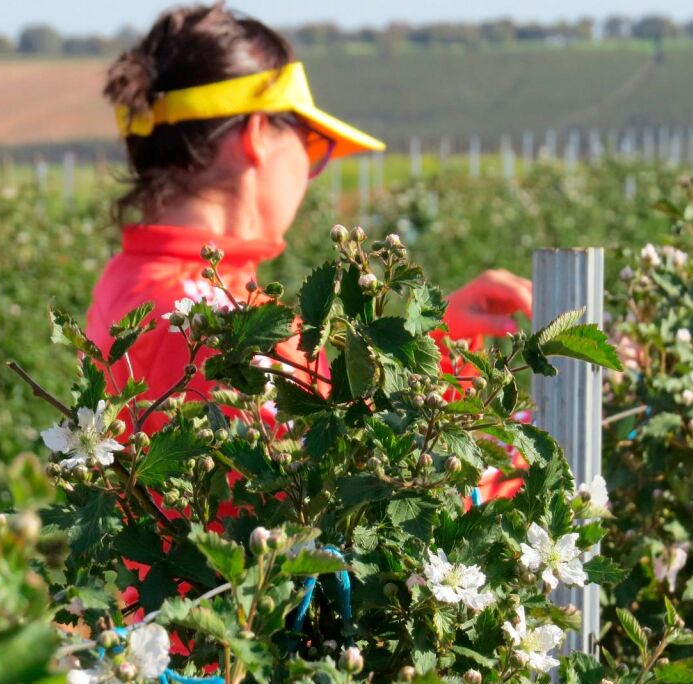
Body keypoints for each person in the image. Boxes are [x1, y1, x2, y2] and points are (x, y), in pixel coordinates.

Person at [83, 4, 532, 448]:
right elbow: (334, 483)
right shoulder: (219, 325)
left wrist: (434, 344)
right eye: (311, 146)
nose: (310, 174)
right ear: (258, 133)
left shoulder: (129, 283)